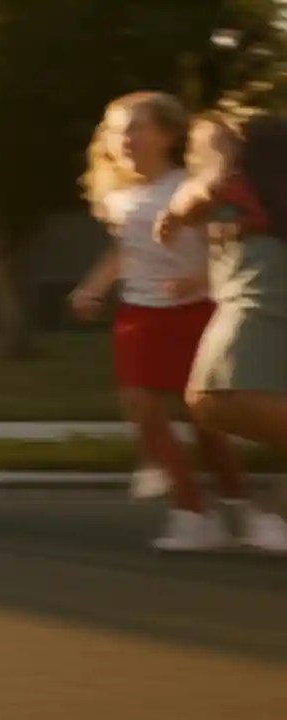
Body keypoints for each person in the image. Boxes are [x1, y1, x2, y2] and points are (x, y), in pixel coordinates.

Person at [72, 91, 247, 551]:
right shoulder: (116, 196)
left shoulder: (189, 185)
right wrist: (93, 287)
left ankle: (240, 506)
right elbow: (122, 252)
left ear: (167, 135)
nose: (124, 138)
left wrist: (198, 278)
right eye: (116, 129)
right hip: (138, 312)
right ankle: (192, 512)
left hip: (194, 312)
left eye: (136, 127)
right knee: (143, 408)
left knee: (204, 418)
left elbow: (227, 243)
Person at [154, 112, 287, 552]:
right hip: (255, 298)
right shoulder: (250, 202)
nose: (193, 155)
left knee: (215, 397)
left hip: (261, 299)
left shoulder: (229, 185)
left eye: (202, 146)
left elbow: (202, 191)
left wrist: (172, 213)